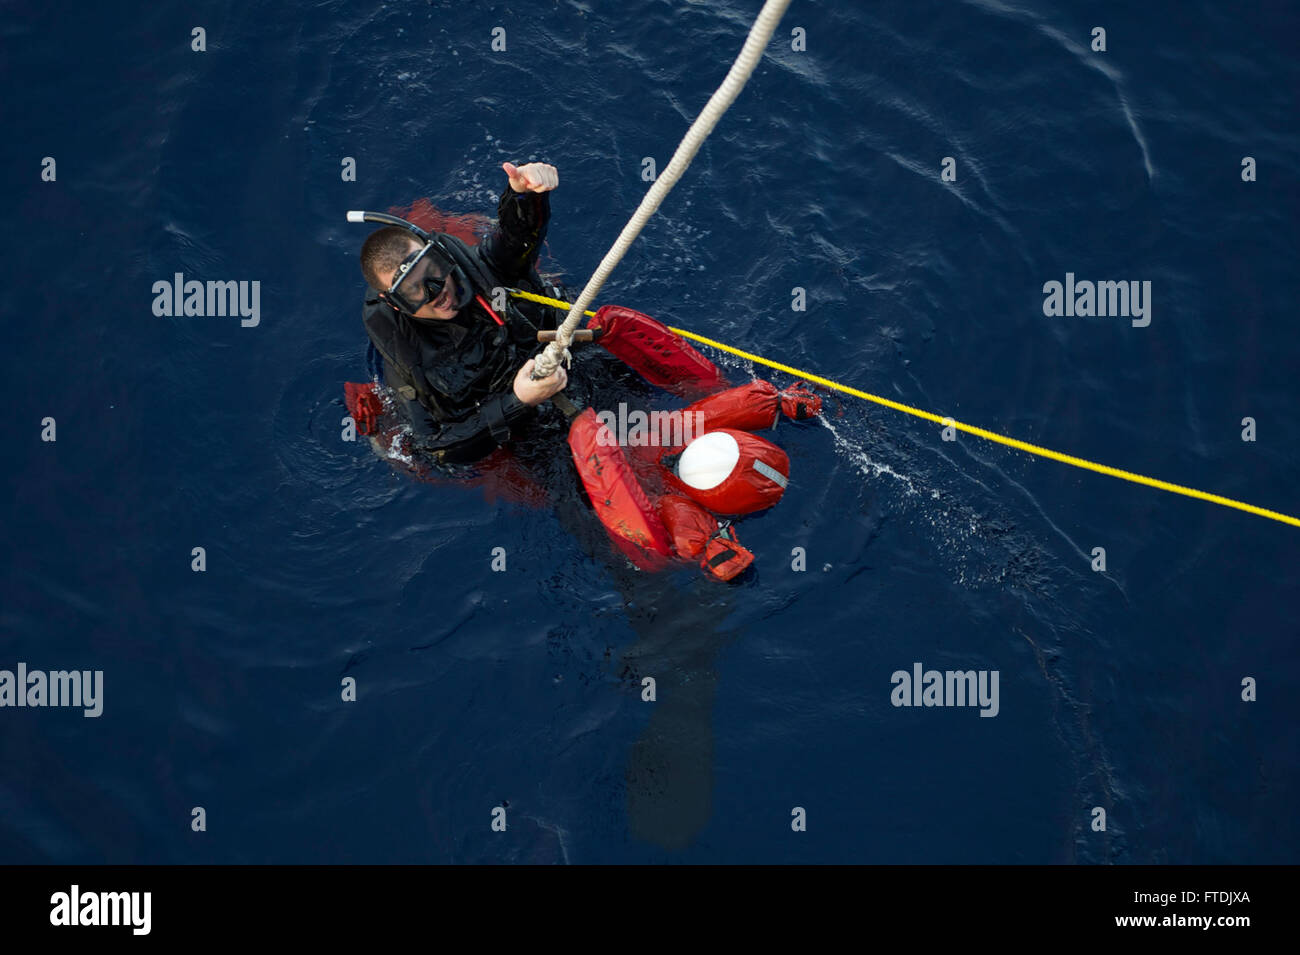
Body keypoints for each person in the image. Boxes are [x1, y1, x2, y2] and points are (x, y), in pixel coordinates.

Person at [357, 162, 570, 465]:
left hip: (566, 358)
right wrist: (517, 402)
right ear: (394, 303)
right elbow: (433, 446)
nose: (437, 292)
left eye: (431, 271)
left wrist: (523, 195)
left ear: (439, 255)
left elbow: (514, 241)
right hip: (523, 430)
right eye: (414, 290)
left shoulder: (481, 273)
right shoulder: (409, 364)